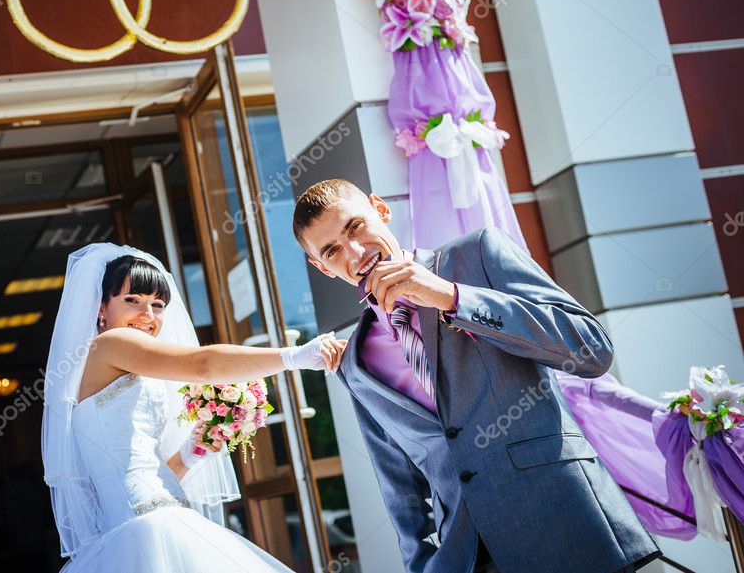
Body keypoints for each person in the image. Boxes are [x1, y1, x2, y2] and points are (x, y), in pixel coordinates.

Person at [292, 179, 660, 573]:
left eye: (355, 227)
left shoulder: (477, 256)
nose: (356, 252)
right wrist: (422, 564)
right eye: (332, 251)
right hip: (466, 558)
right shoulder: (356, 365)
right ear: (322, 267)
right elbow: (398, 486)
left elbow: (591, 351)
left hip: (564, 523)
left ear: (381, 210)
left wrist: (453, 297)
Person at [42, 243, 345, 572]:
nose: (148, 316)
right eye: (132, 300)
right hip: (148, 527)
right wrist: (293, 357)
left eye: (157, 305)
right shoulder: (110, 344)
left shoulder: (116, 359)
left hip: (155, 519)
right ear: (102, 308)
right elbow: (203, 365)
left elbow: (148, 474)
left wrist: (193, 450)